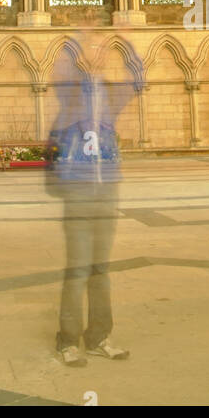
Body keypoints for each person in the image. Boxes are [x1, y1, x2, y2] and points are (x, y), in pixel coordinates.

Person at [45, 59, 134, 366]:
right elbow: (52, 162)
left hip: (106, 199)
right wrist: (71, 189)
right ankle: (68, 340)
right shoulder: (66, 121)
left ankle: (98, 337)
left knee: (100, 270)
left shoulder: (109, 123)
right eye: (88, 91)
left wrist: (126, 38)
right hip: (80, 201)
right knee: (79, 269)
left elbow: (137, 78)